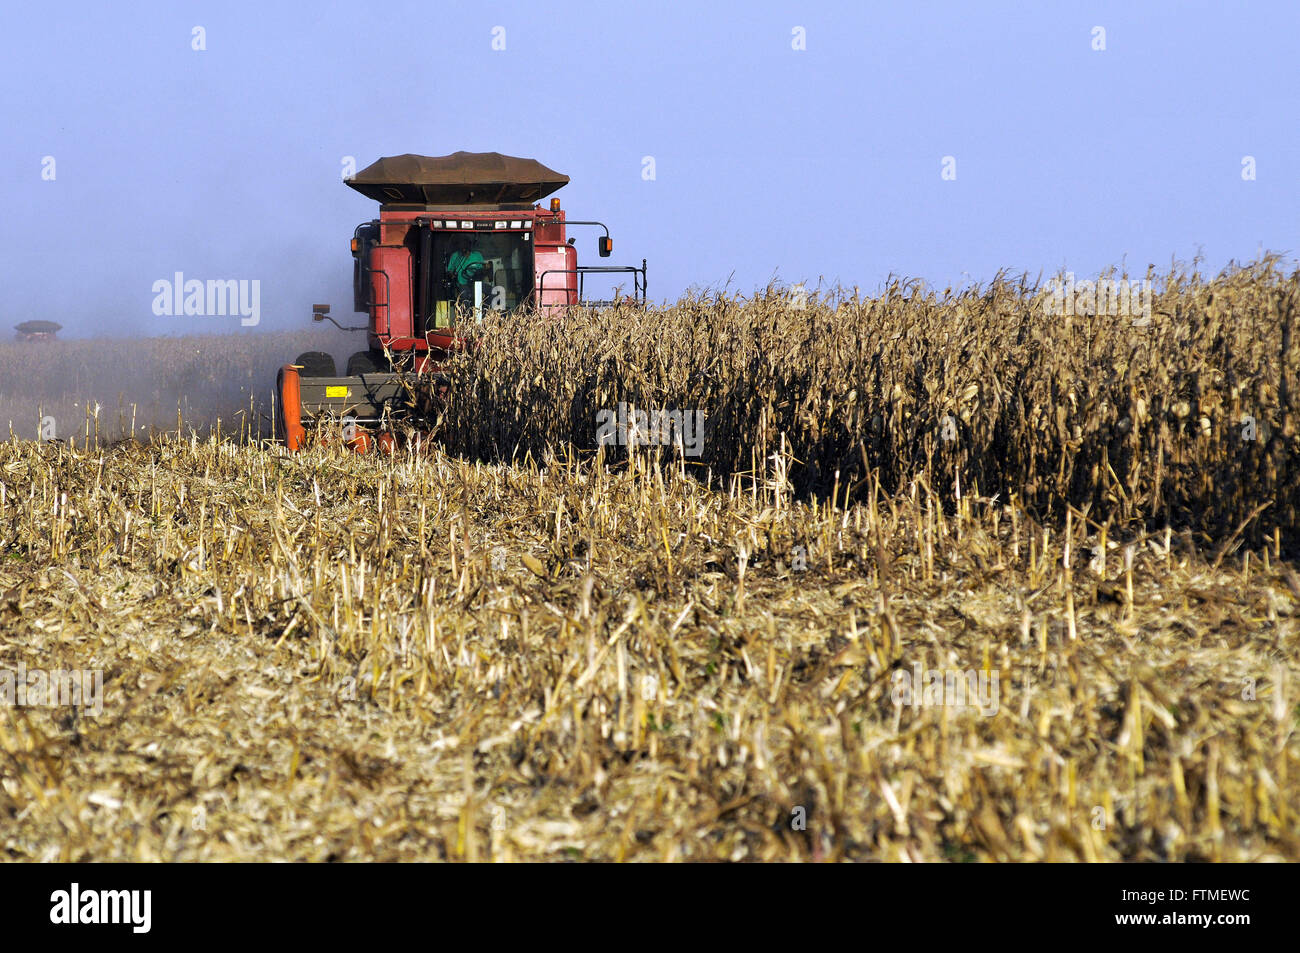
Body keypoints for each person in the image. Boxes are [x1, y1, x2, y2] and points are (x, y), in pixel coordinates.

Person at [447, 237, 487, 312]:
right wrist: (452, 275)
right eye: (462, 246)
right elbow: (449, 270)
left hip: (477, 283)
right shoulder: (455, 256)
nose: (464, 248)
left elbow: (483, 269)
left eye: (465, 246)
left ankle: (487, 315)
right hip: (462, 284)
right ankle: (468, 316)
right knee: (464, 296)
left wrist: (480, 273)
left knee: (489, 291)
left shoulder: (477, 255)